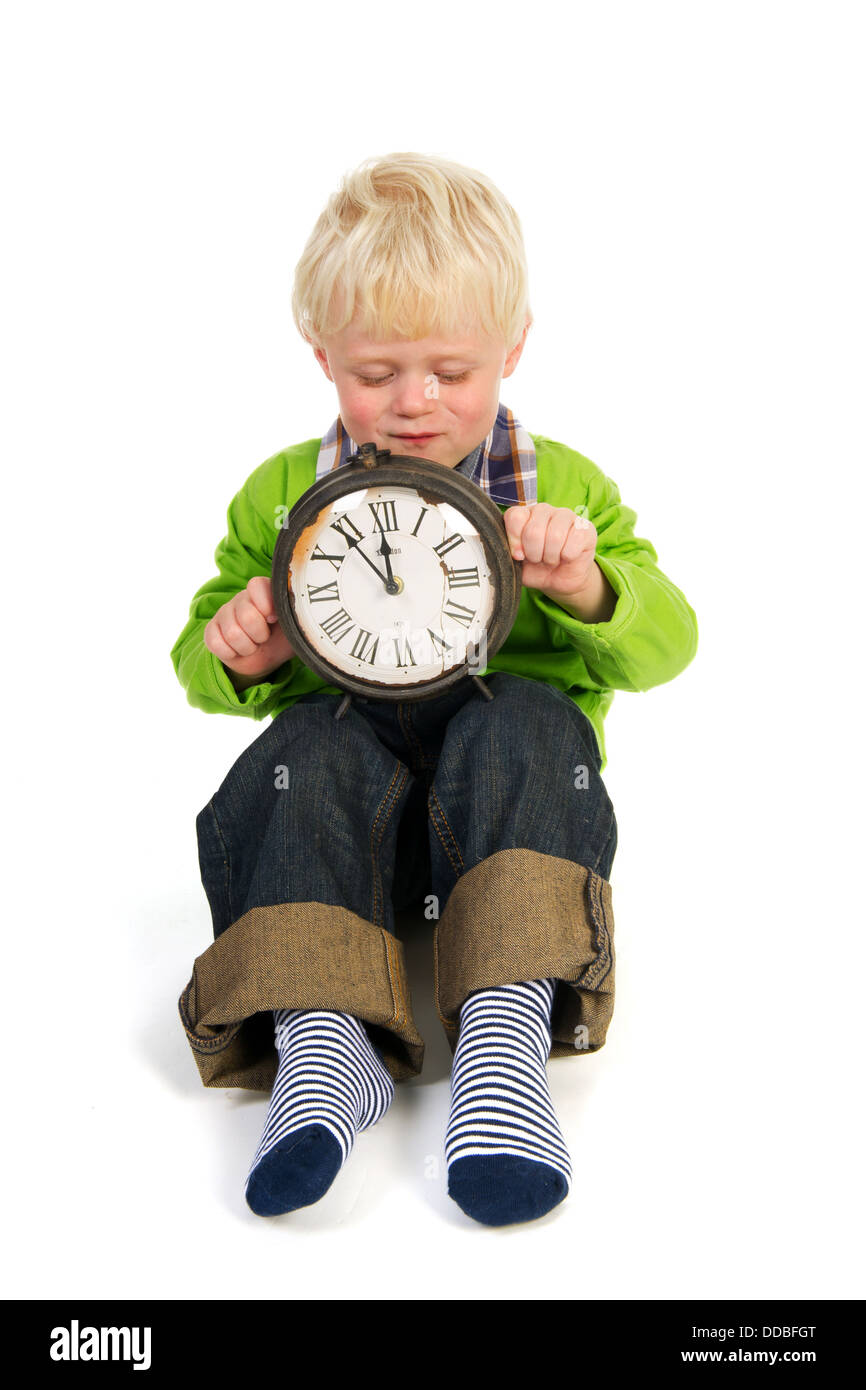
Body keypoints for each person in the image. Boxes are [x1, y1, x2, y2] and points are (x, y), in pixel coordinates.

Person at [170, 151, 698, 1228]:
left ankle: (502, 1039)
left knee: (530, 723)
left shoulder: (562, 487)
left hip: (500, 825)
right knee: (296, 756)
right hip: (350, 816)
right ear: (321, 357)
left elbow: (666, 646)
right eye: (377, 372)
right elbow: (198, 663)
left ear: (512, 348)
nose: (414, 402)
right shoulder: (283, 497)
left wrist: (592, 584)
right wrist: (241, 648)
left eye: (450, 371)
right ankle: (326, 1042)